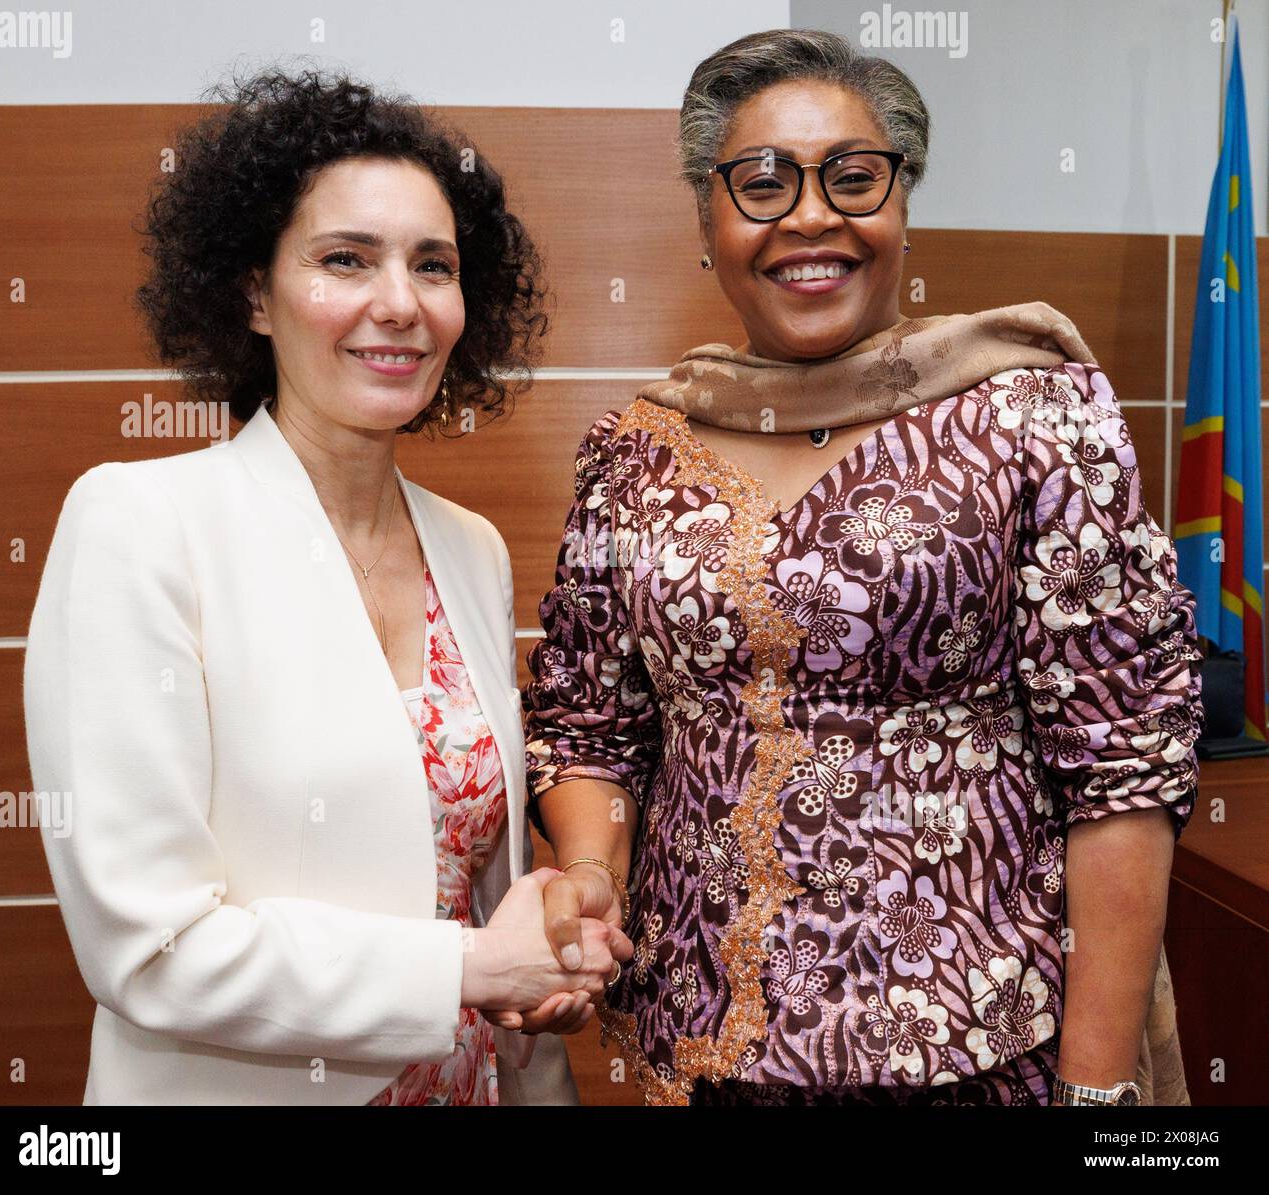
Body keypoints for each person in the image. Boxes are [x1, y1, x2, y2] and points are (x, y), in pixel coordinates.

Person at [511, 29, 1202, 1106]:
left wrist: (1099, 1089)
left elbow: (1121, 768)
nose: (809, 216)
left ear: (902, 203)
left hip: (973, 1048)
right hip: (702, 1051)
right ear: (707, 220)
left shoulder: (1032, 419)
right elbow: (589, 723)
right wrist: (594, 870)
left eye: (852, 176)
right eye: (761, 183)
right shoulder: (636, 452)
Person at [23, 68, 628, 1106]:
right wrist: (473, 967)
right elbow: (150, 950)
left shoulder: (471, 548)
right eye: (345, 259)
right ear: (254, 294)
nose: (399, 303)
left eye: (432, 266)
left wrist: (545, 968)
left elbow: (480, 897)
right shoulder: (140, 524)